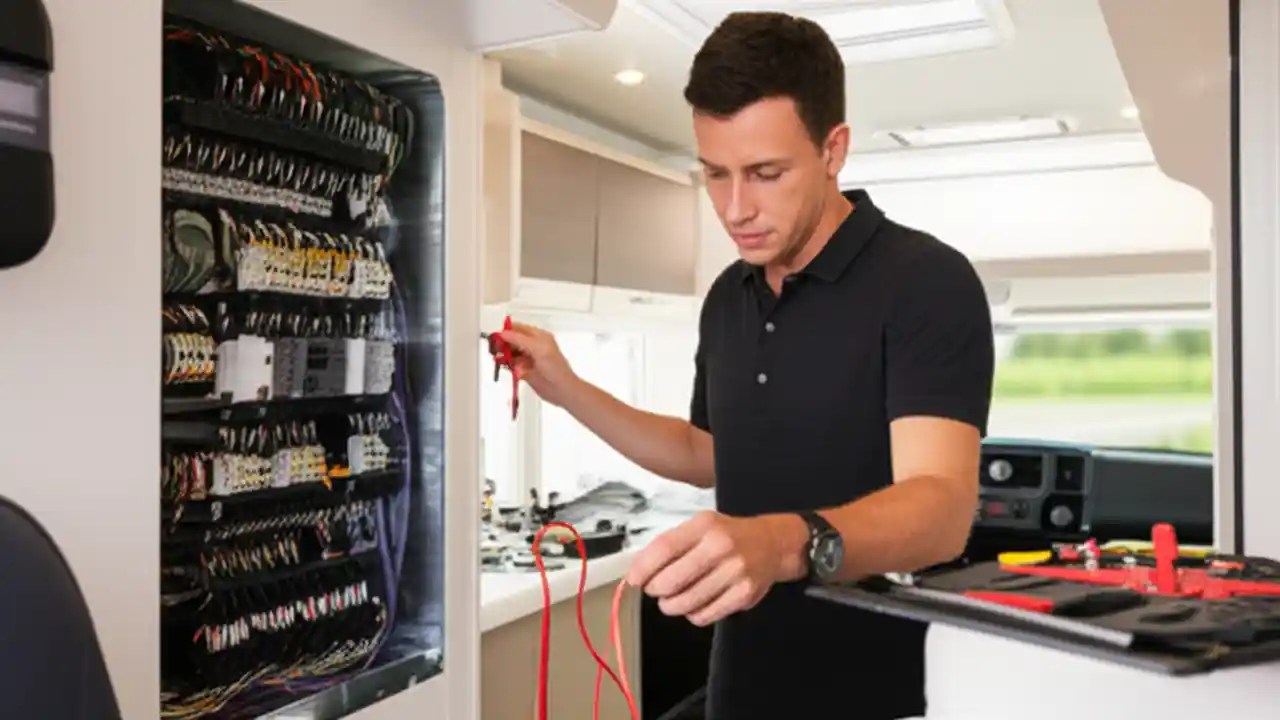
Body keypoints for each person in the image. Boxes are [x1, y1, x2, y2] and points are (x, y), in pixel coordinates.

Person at [497, 11, 994, 719]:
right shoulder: (728, 298)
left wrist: (781, 541)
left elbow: (942, 507)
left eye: (766, 173)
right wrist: (567, 388)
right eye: (715, 174)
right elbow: (707, 453)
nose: (736, 208)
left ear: (834, 149)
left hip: (879, 690)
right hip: (744, 682)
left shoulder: (925, 281)